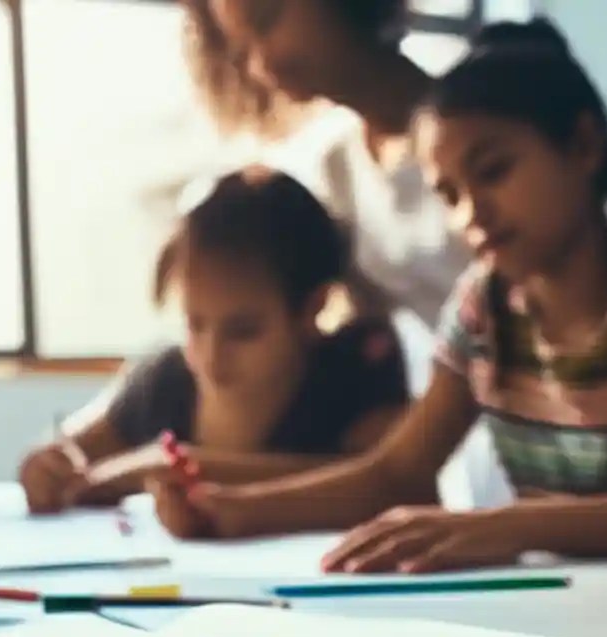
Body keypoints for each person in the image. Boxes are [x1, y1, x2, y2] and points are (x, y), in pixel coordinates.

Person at [147, 19, 607, 573]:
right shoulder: (484, 312)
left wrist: (509, 524)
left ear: (584, 146)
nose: (472, 213)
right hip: (572, 610)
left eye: (493, 171)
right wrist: (227, 511)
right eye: (450, 194)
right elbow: (395, 474)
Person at [182, 0, 504, 509]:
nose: (261, 64)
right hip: (454, 457)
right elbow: (357, 358)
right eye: (241, 49)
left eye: (268, 24)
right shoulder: (332, 171)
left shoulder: (481, 138)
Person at [20, 168, 408, 514]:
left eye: (243, 332)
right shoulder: (166, 380)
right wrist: (48, 465)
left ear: (312, 310)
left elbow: (387, 482)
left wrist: (176, 467)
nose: (210, 357)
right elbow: (75, 455)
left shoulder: (356, 372)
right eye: (194, 324)